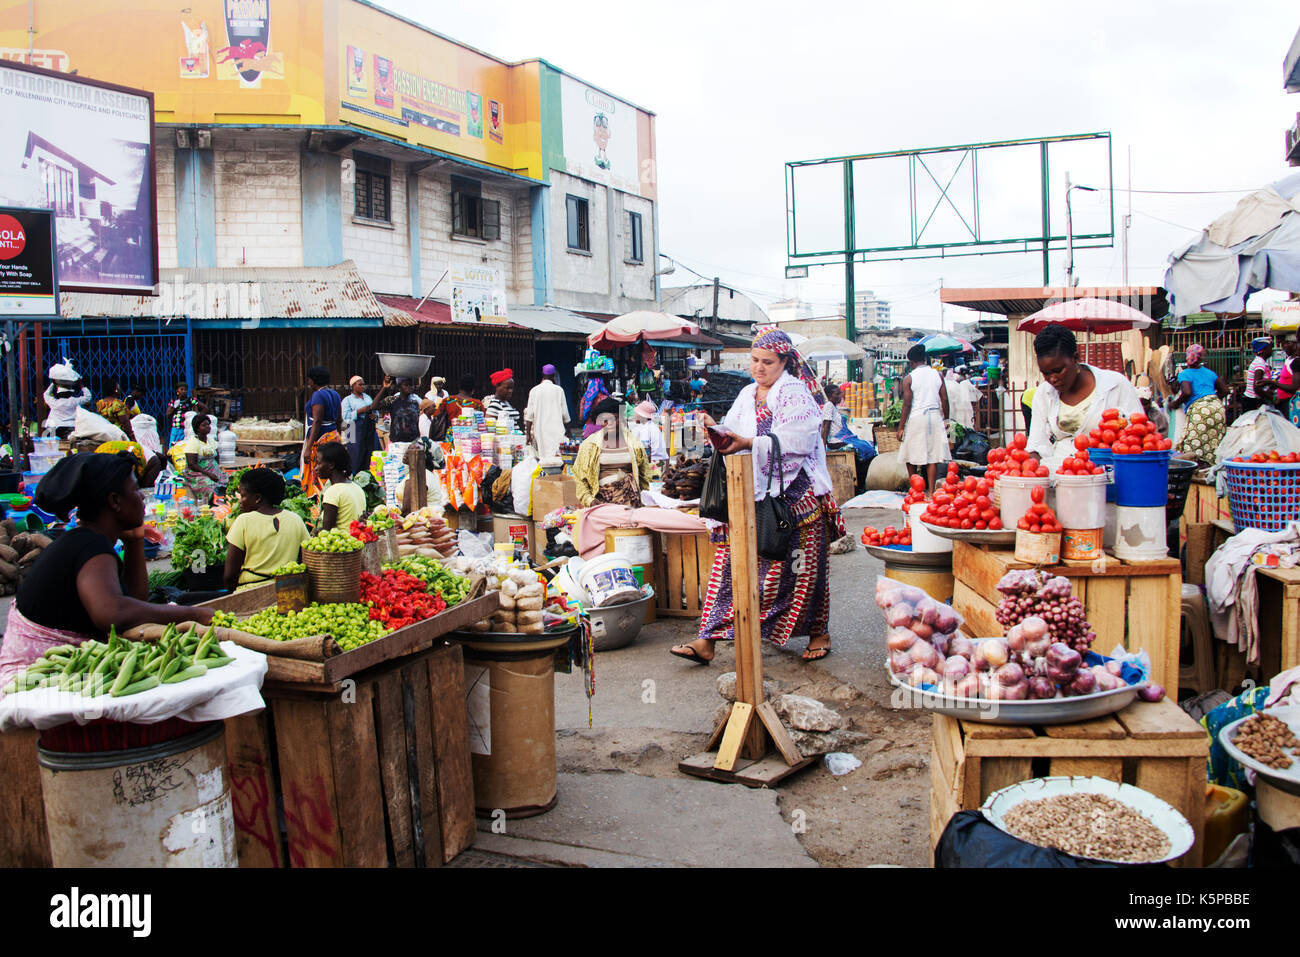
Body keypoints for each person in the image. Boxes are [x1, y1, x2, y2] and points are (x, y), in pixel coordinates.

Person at [670, 328, 844, 665]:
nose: (759, 368)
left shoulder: (794, 392)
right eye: (754, 360)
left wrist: (748, 443)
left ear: (784, 363)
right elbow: (735, 433)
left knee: (802, 570)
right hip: (751, 493)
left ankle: (818, 631)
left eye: (767, 362)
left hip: (797, 498)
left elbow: (797, 441)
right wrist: (714, 429)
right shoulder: (748, 393)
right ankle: (708, 639)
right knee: (730, 566)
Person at [0, 453, 215, 685]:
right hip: (33, 683)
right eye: (135, 490)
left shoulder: (89, 541)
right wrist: (194, 614)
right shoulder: (89, 546)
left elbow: (134, 599)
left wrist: (135, 541)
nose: (142, 497)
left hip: (55, 674)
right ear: (115, 501)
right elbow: (111, 612)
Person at [1026, 324, 1142, 469]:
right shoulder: (1044, 393)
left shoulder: (1115, 385)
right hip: (1059, 475)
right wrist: (1030, 468)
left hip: (1109, 475)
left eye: (1058, 370)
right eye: (1046, 373)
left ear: (1075, 359)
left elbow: (1139, 434)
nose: (1052, 379)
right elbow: (1036, 444)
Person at [222, 468, 310, 592]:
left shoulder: (244, 521)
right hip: (288, 590)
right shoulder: (295, 519)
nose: (240, 501)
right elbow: (307, 560)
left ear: (258, 498)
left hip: (250, 592)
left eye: (243, 496)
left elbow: (229, 576)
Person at [573, 398, 650, 506]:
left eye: (615, 419)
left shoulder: (634, 443)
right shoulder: (590, 445)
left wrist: (645, 500)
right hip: (601, 503)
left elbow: (645, 475)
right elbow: (579, 478)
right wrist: (589, 500)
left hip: (631, 502)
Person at [898, 345, 950, 492]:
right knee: (932, 457)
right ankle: (931, 492)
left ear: (911, 362)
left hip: (917, 417)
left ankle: (916, 489)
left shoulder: (909, 378)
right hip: (934, 417)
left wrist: (901, 427)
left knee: (909, 454)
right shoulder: (938, 375)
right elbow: (945, 399)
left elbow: (907, 404)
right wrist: (946, 420)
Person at [1168, 343, 1227, 464]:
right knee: (1213, 441)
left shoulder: (1185, 374)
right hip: (1217, 409)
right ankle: (1211, 470)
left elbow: (1187, 392)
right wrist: (1211, 401)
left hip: (1199, 410)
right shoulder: (1210, 373)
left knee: (1193, 445)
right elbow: (1225, 391)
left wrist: (1175, 403)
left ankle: (1195, 472)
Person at [823, 383, 876, 493]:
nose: (840, 396)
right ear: (829, 395)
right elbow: (826, 426)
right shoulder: (828, 406)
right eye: (836, 394)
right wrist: (823, 445)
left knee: (867, 445)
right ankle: (860, 484)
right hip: (835, 440)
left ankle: (861, 481)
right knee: (863, 447)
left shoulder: (834, 407)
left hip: (842, 438)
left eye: (840, 393)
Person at [300, 366, 342, 495]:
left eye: (309, 380)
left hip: (319, 440)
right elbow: (339, 419)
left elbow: (317, 421)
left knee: (318, 474)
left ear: (313, 381)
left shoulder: (318, 395)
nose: (308, 383)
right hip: (333, 436)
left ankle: (317, 499)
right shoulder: (335, 394)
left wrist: (308, 447)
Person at [315, 442, 366, 532]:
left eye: (319, 463)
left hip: (343, 543)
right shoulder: (357, 488)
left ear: (331, 465)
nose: (316, 468)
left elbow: (327, 533)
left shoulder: (333, 492)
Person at [524, 364, 571, 460]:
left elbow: (529, 416)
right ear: (554, 375)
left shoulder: (534, 390)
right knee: (557, 457)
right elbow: (565, 415)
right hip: (557, 430)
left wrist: (528, 434)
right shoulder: (559, 390)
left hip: (540, 431)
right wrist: (569, 432)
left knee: (542, 457)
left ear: (542, 374)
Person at [182, 413, 225, 503]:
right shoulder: (193, 443)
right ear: (197, 428)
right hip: (197, 473)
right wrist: (208, 474)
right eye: (204, 425)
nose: (208, 427)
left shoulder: (211, 441)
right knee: (209, 485)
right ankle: (212, 503)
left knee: (226, 481)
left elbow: (217, 457)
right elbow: (191, 464)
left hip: (212, 471)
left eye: (208, 424)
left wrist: (217, 470)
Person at [42, 365, 92, 439]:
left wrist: (54, 382)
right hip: (72, 428)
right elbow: (88, 397)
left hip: (57, 429)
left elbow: (46, 394)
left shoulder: (54, 403)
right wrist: (81, 384)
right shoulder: (74, 401)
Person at [340, 375, 375, 475]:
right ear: (353, 386)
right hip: (352, 428)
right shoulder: (347, 400)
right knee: (355, 454)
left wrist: (374, 415)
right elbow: (345, 417)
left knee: (369, 453)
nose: (363, 386)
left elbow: (374, 409)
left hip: (367, 427)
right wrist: (360, 411)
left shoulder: (367, 397)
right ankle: (355, 475)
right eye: (360, 384)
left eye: (363, 384)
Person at [375, 376, 421, 445]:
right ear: (399, 387)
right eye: (406, 385)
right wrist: (384, 388)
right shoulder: (392, 400)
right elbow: (374, 406)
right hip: (397, 443)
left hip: (413, 443)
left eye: (411, 385)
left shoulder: (416, 401)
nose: (409, 387)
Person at [1241, 337, 1275, 413]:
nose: (1271, 350)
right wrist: (1272, 398)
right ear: (1263, 350)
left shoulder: (1260, 362)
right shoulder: (1260, 363)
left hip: (1252, 400)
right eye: (1270, 347)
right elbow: (1257, 387)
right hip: (1253, 402)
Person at [164, 382, 202, 448]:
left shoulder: (190, 400)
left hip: (186, 428)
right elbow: (168, 414)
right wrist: (175, 406)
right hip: (176, 428)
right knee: (173, 447)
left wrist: (199, 418)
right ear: (177, 391)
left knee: (184, 446)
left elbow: (204, 408)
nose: (184, 391)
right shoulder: (173, 401)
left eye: (185, 390)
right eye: (182, 389)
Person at [1275, 334, 1300, 420]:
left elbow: (1294, 388)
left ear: (1292, 344)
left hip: (1291, 404)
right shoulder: (1289, 359)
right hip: (1284, 403)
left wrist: (1275, 384)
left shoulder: (1296, 362)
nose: (1283, 347)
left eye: (1285, 344)